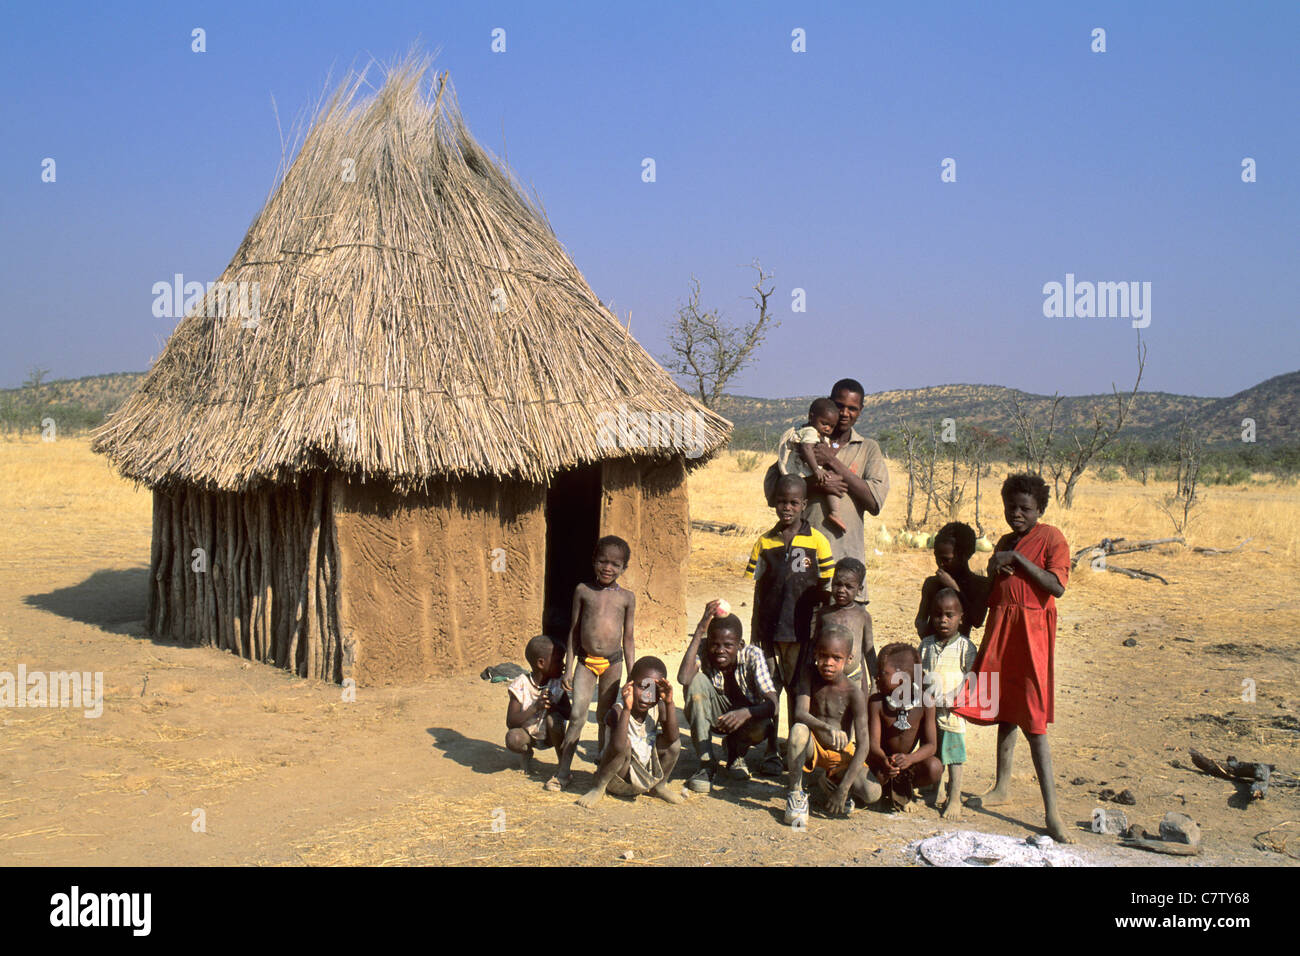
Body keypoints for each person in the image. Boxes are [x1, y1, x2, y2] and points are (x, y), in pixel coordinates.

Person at [954, 473, 1073, 843]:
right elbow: (994, 581)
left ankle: (1052, 812)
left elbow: (1056, 586)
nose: (1017, 514)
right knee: (1005, 708)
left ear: (1040, 510)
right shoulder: (1005, 541)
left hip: (1032, 636)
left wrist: (1018, 560)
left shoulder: (1051, 538)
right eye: (1011, 507)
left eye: (1025, 509)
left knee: (1034, 721)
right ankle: (1002, 787)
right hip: (1001, 630)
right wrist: (995, 566)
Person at [745, 474, 834, 775]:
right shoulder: (764, 542)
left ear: (804, 505)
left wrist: (817, 632)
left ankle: (795, 752)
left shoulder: (818, 542)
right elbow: (757, 590)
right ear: (774, 503)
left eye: (794, 502)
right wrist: (755, 632)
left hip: (800, 633)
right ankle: (771, 750)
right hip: (769, 633)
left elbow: (826, 588)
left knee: (798, 692)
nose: (787, 508)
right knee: (770, 693)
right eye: (782, 502)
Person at [770, 379, 889, 603]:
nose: (845, 413)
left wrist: (832, 462)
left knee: (841, 632)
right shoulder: (803, 440)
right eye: (839, 405)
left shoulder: (867, 448)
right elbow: (774, 491)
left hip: (845, 564)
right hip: (801, 557)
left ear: (860, 411)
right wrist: (818, 484)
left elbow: (874, 502)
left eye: (852, 408)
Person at [551, 535, 636, 792]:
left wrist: (632, 674)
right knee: (577, 715)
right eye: (602, 561)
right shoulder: (583, 591)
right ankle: (563, 771)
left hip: (613, 663)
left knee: (605, 717)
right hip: (586, 663)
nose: (608, 568)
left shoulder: (627, 598)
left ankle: (601, 770)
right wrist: (568, 667)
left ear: (624, 568)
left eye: (615, 564)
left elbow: (628, 637)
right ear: (593, 562)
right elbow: (574, 631)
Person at [678, 602, 779, 792]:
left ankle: (735, 754)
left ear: (740, 645)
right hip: (717, 716)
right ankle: (706, 763)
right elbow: (683, 678)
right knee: (695, 681)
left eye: (728, 645)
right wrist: (700, 630)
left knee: (763, 725)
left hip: (745, 721)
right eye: (714, 644)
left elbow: (773, 703)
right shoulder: (704, 650)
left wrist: (746, 713)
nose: (720, 650)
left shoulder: (753, 655)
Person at [784, 630, 879, 826]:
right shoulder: (809, 674)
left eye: (836, 658)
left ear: (849, 659)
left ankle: (832, 785)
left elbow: (863, 746)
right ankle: (796, 793)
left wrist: (844, 789)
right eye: (823, 656)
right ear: (815, 654)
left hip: (840, 755)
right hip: (814, 747)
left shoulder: (854, 692)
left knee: (872, 793)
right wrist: (826, 728)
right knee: (798, 730)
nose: (828, 662)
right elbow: (800, 713)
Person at [576, 657, 682, 809]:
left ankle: (659, 787)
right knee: (625, 743)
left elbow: (672, 739)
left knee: (675, 744)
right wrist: (627, 708)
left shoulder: (659, 706)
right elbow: (618, 746)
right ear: (630, 684)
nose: (648, 695)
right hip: (617, 778)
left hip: (645, 777)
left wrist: (669, 702)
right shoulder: (617, 711)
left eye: (654, 689)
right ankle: (598, 788)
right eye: (642, 687)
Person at [919, 589, 976, 819]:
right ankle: (938, 788)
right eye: (938, 615)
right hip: (930, 711)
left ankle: (955, 797)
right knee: (934, 750)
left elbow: (972, 678)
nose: (943, 620)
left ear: (961, 617)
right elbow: (919, 675)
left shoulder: (965, 647)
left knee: (954, 754)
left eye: (949, 615)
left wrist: (954, 697)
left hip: (954, 712)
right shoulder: (926, 645)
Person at [867, 642, 942, 811]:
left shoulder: (926, 702)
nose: (876, 676)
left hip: (908, 763)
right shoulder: (877, 702)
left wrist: (910, 759)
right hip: (882, 764)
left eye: (882, 673)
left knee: (934, 767)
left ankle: (906, 787)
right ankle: (888, 789)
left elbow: (931, 746)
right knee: (872, 778)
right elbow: (873, 745)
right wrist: (885, 761)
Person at [807, 557, 875, 695]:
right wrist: (807, 675)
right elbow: (813, 645)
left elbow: (869, 650)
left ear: (860, 590)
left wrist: (874, 682)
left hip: (853, 678)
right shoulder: (824, 614)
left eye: (848, 586)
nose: (841, 590)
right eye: (837, 584)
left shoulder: (862, 616)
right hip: (825, 677)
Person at [504, 635, 571, 774]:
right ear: (541, 663)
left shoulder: (557, 684)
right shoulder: (521, 684)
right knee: (513, 738)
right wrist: (536, 707)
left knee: (554, 720)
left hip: (551, 737)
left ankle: (562, 763)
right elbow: (511, 721)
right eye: (558, 661)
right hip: (528, 735)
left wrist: (554, 706)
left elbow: (569, 713)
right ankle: (526, 753)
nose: (563, 665)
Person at [779, 397, 845, 531]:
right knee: (832, 479)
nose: (827, 428)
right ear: (811, 417)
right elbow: (806, 448)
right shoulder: (811, 432)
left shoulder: (810, 431)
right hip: (799, 472)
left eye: (832, 426)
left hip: (793, 474)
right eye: (824, 423)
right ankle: (835, 513)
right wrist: (816, 470)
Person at [914, 522, 990, 638]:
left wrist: (954, 588)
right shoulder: (932, 583)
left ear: (966, 555)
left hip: (959, 651)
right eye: (936, 557)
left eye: (946, 559)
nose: (940, 563)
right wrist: (926, 638)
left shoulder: (979, 584)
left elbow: (977, 621)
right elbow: (921, 618)